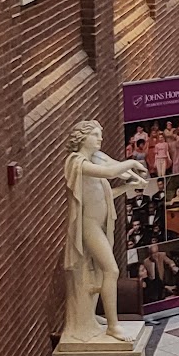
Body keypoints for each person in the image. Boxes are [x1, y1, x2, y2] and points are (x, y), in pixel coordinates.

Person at [62, 120, 148, 342]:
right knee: (111, 271)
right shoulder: (76, 162)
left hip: (99, 226)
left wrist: (128, 186)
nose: (100, 138)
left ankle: (90, 316)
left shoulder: (93, 160)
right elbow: (110, 172)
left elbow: (106, 193)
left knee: (99, 272)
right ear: (82, 138)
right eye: (95, 135)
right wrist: (130, 162)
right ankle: (113, 326)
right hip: (88, 228)